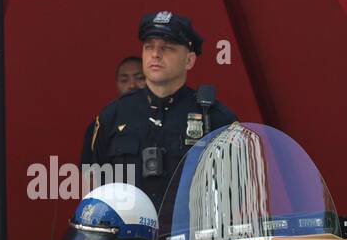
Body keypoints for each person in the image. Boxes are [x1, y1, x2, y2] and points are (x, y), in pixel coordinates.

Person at [81, 12, 237, 217]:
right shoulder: (112, 116)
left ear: (189, 60)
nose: (155, 54)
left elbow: (234, 195)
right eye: (149, 47)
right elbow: (92, 191)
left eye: (167, 48)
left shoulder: (216, 118)